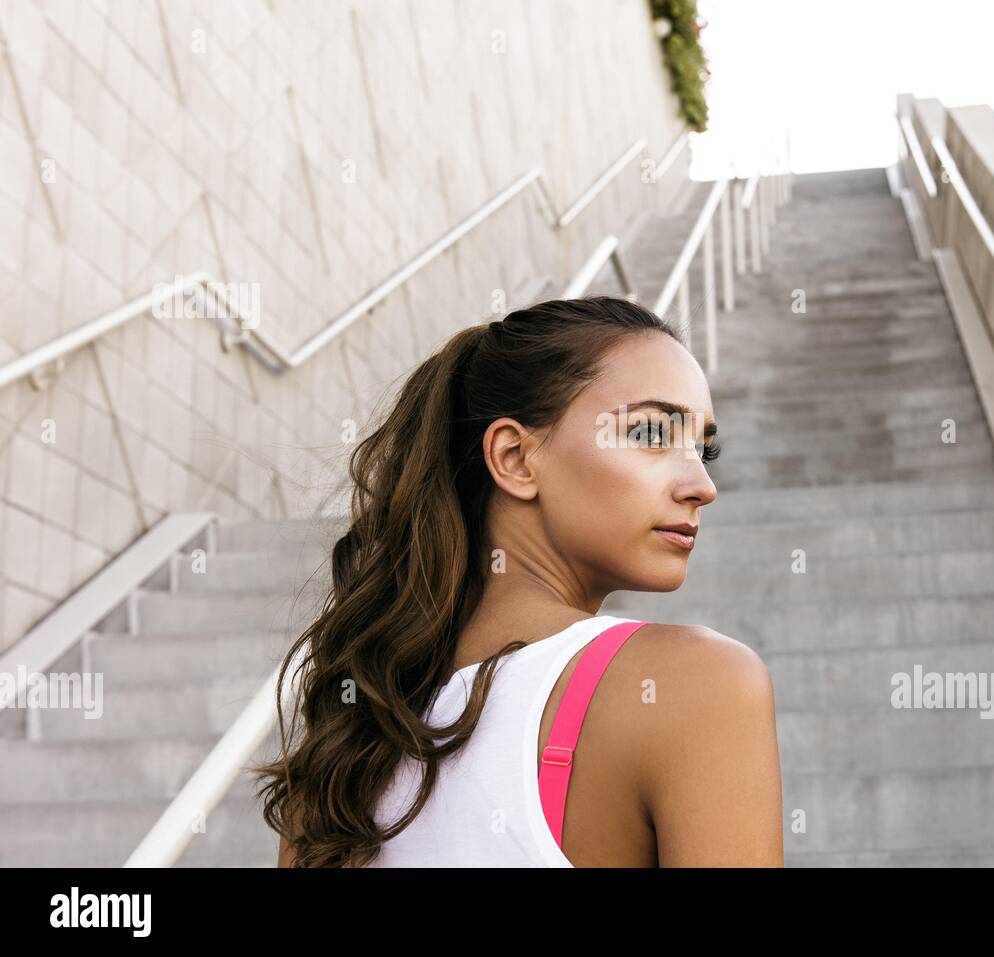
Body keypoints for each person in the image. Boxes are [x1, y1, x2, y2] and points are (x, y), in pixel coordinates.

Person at [256, 296, 783, 867]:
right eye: (652, 433)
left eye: (703, 449)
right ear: (514, 458)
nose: (702, 484)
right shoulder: (695, 681)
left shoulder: (348, 743)